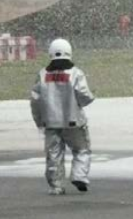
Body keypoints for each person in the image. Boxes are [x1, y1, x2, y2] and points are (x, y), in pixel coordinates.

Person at [30, 38, 95, 195]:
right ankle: (79, 175)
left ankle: (56, 186)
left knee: (53, 155)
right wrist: (90, 98)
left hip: (50, 123)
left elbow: (35, 100)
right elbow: (84, 96)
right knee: (81, 149)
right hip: (74, 121)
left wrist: (39, 121)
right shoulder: (76, 73)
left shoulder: (42, 74)